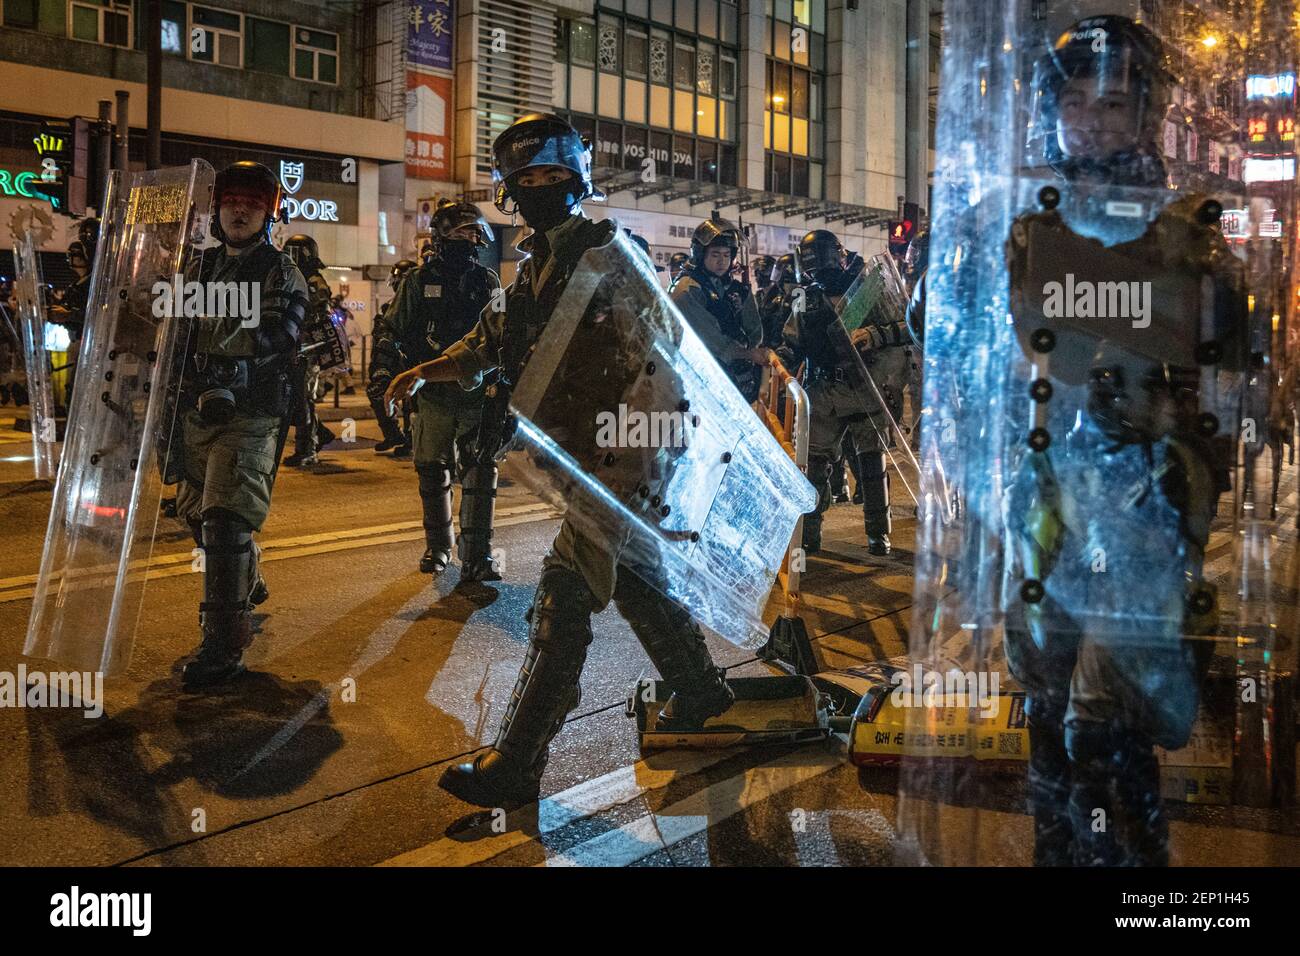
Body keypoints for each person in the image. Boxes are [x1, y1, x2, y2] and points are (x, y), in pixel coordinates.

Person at [386, 113, 734, 809]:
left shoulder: (612, 253)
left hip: (625, 451)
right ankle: (704, 692)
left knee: (564, 592)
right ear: (511, 189)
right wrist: (427, 369)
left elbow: (664, 354)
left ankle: (518, 763)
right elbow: (495, 339)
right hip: (583, 453)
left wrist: (635, 447)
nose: (541, 187)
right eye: (527, 178)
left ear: (577, 180)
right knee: (635, 580)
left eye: (552, 175)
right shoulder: (535, 267)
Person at [1003, 15, 1243, 866]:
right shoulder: (1029, 230)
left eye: (1114, 102)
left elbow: (1227, 396)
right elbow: (994, 375)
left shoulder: (1188, 240)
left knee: (1104, 736)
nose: (1094, 120)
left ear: (1146, 115)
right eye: (1076, 101)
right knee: (1046, 735)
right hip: (1044, 516)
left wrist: (1173, 478)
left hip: (1136, 523)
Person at [172, 161, 309, 690]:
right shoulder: (198, 269)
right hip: (195, 413)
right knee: (194, 514)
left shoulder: (281, 271)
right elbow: (176, 331)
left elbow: (284, 335)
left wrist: (234, 362)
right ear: (217, 208)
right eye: (232, 200)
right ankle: (245, 578)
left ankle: (224, 647)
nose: (240, 209)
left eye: (253, 202)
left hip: (250, 413)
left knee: (225, 519)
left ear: (269, 212)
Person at [384, 199, 502, 581]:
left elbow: (502, 338)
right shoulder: (417, 282)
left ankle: (477, 556)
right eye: (458, 231)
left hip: (476, 392)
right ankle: (438, 548)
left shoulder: (487, 281)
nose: (467, 238)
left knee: (479, 470)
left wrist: (503, 385)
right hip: (432, 394)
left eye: (472, 231)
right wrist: (384, 373)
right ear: (441, 236)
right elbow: (391, 332)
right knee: (432, 470)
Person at [784, 229, 909, 555]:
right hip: (849, 390)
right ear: (837, 254)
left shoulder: (822, 292)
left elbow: (791, 341)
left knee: (818, 467)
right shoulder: (858, 289)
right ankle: (875, 537)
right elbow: (793, 340)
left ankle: (811, 538)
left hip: (837, 390)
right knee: (867, 465)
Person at [668, 218, 768, 401]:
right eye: (715, 255)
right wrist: (747, 353)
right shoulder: (688, 289)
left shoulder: (735, 288)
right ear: (701, 254)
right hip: (701, 381)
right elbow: (712, 341)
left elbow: (754, 333)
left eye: (726, 255)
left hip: (734, 379)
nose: (722, 261)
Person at [281, 234, 335, 467]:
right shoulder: (295, 277)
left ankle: (307, 449)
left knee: (303, 400)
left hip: (307, 350)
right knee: (295, 399)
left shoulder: (314, 281)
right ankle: (318, 435)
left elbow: (319, 317)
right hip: (293, 347)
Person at [367, 259, 417, 454]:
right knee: (377, 392)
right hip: (392, 359)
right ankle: (393, 434)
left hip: (412, 358)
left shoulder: (421, 304)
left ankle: (411, 440)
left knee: (411, 400)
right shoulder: (390, 307)